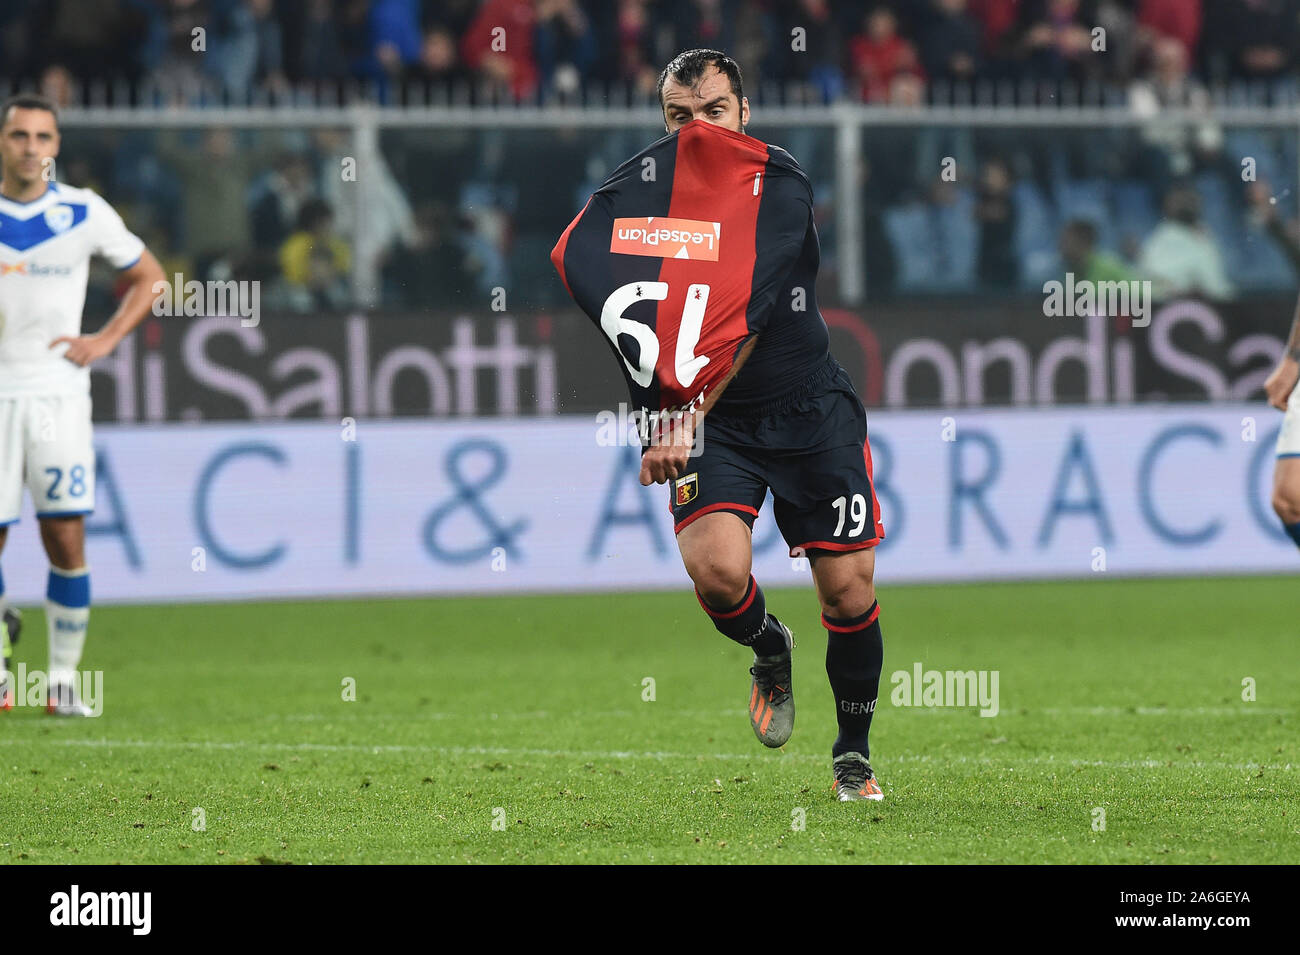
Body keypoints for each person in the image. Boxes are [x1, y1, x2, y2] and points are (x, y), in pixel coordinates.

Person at [551, 50, 887, 801]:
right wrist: (656, 407)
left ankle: (852, 753)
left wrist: (682, 414)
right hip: (717, 426)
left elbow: (750, 317)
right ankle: (770, 646)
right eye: (679, 116)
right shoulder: (642, 193)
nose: (697, 129)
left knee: (848, 591)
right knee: (718, 570)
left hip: (806, 408)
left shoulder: (781, 186)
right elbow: (614, 291)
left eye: (713, 112)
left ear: (743, 113)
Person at [0, 94, 164, 713]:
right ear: (2, 142)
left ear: (57, 146)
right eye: (19, 135)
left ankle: (63, 684)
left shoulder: (82, 211)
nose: (31, 147)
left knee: (65, 537)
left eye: (43, 136)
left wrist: (104, 340)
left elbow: (151, 277)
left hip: (56, 395)